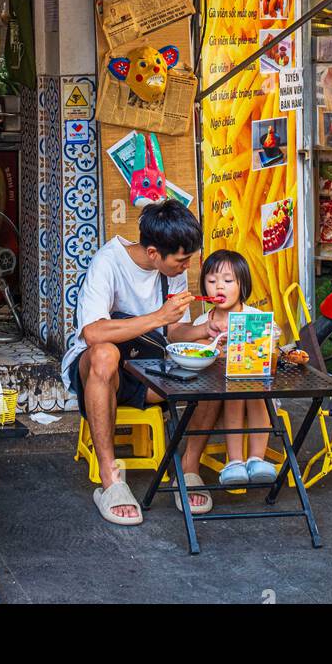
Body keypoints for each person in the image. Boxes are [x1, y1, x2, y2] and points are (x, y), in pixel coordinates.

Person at [62, 201, 223, 527]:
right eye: (181, 260)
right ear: (153, 253)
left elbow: (173, 331)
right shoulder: (108, 262)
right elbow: (93, 333)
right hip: (100, 373)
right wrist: (157, 317)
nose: (186, 266)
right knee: (106, 353)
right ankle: (110, 479)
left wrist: (204, 330)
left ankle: (188, 469)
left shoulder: (172, 270)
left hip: (149, 367)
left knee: (209, 356)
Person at [179, 250, 278, 487]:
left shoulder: (256, 317)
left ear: (242, 284)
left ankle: (256, 459)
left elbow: (271, 350)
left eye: (228, 281)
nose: (219, 287)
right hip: (221, 396)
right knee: (234, 391)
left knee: (251, 388)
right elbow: (200, 359)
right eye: (212, 281)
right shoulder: (203, 323)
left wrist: (269, 338)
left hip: (258, 393)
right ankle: (235, 462)